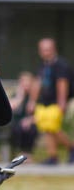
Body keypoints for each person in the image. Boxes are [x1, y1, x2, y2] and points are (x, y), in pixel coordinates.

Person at [27, 37, 71, 165]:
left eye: (48, 49)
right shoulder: (43, 65)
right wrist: (32, 101)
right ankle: (53, 156)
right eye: (43, 50)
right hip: (43, 102)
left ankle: (71, 147)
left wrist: (62, 102)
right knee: (47, 129)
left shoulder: (61, 65)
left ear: (53, 49)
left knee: (53, 127)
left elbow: (62, 84)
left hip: (55, 103)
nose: (46, 52)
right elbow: (37, 83)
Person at [8, 71, 38, 157]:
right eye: (23, 82)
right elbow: (11, 108)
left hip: (32, 122)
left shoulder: (35, 96)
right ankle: (21, 153)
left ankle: (27, 154)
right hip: (17, 122)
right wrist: (20, 96)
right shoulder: (17, 95)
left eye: (28, 82)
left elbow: (39, 114)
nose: (26, 84)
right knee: (17, 129)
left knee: (31, 129)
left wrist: (30, 120)